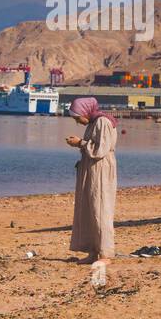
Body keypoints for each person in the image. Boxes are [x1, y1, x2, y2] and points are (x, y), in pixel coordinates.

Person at [64, 97, 118, 264]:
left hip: (100, 170)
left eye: (77, 117)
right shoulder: (93, 123)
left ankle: (106, 254)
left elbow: (100, 150)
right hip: (92, 169)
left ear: (85, 111)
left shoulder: (103, 122)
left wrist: (80, 143)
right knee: (89, 210)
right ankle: (93, 251)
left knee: (100, 209)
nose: (78, 122)